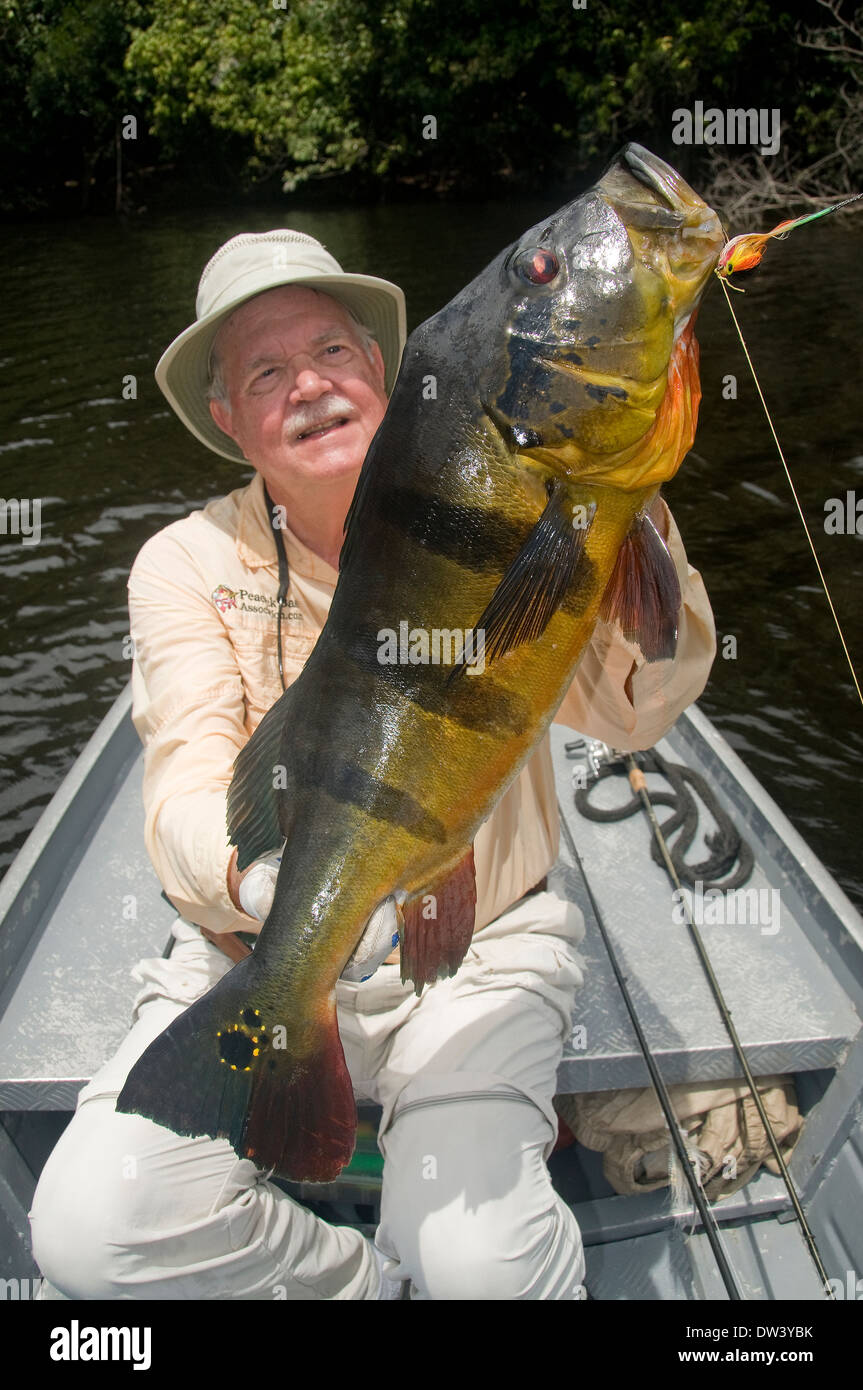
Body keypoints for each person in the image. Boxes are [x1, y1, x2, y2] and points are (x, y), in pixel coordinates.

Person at [29, 229, 716, 1301]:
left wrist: (622, 493)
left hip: (479, 941)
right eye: (265, 372)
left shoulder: (515, 495)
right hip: (259, 944)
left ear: (382, 369)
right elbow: (183, 785)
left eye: (330, 352)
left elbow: (636, 710)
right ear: (226, 419)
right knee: (89, 1231)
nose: (307, 385)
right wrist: (275, 892)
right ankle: (357, 1283)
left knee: (477, 1264)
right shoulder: (186, 564)